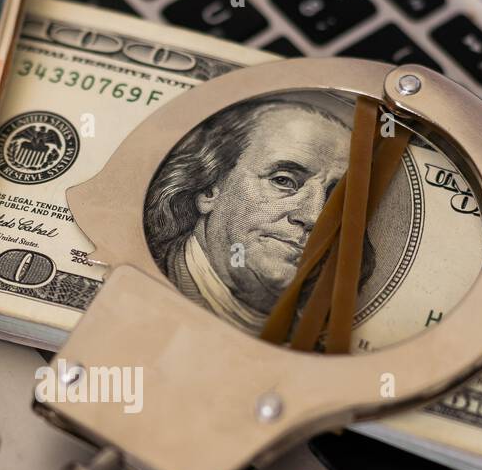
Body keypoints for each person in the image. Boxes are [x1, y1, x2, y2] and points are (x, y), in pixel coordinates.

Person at [145, 96, 375, 336]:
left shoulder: (321, 335)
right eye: (283, 180)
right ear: (210, 188)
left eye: (336, 199)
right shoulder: (143, 288)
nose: (315, 217)